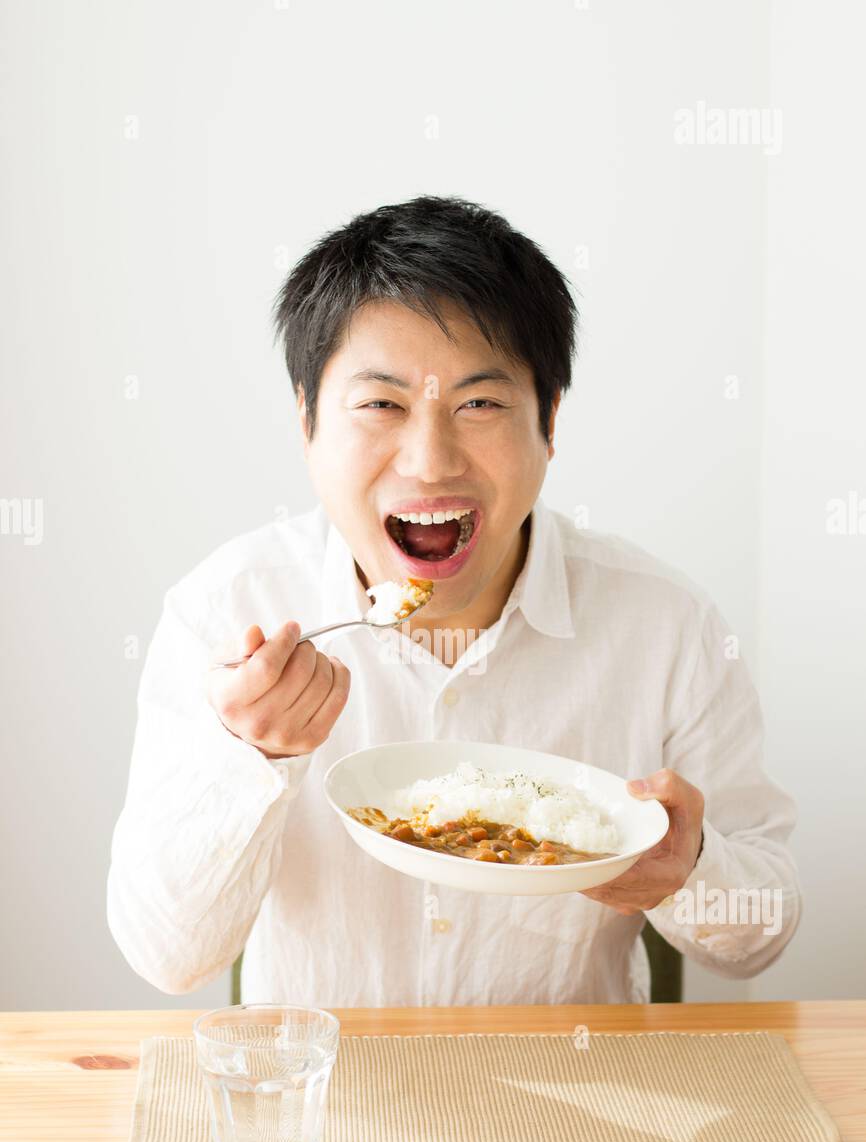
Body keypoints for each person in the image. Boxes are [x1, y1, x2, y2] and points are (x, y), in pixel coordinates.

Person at [107, 195, 801, 1006]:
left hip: (577, 1106)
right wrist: (249, 759)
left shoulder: (665, 626)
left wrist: (689, 871)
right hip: (331, 1104)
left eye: (479, 404)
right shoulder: (228, 609)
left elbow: (763, 933)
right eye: (381, 405)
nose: (431, 462)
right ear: (307, 422)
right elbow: (165, 956)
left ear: (549, 422)